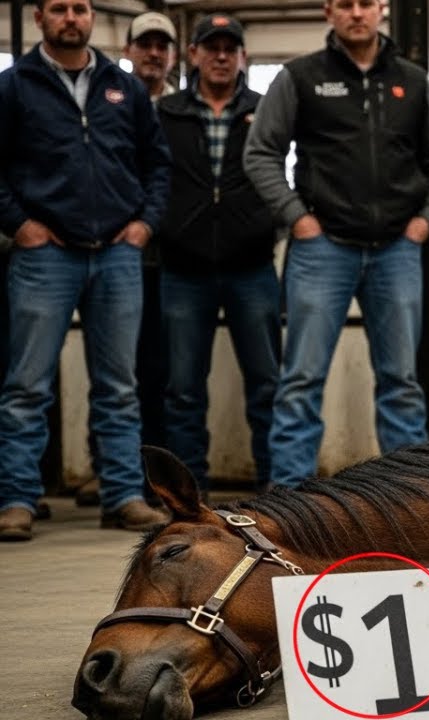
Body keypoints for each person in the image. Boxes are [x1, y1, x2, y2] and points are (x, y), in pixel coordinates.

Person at [244, 0, 429, 488]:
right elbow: (261, 153)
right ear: (328, 12)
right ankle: (289, 498)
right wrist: (297, 218)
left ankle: (408, 496)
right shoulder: (299, 77)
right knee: (300, 380)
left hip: (397, 250)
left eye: (366, 3)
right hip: (323, 249)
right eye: (345, 4)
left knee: (401, 382)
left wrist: (427, 219)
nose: (356, 13)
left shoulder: (414, 80)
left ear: (382, 9)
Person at [0, 0, 171, 540]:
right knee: (27, 386)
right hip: (44, 253)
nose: (70, 17)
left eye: (79, 8)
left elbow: (158, 162)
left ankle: (123, 495)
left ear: (92, 17)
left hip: (118, 253)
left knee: (119, 385)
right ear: (40, 20)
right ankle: (16, 500)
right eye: (59, 8)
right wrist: (18, 224)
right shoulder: (14, 86)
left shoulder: (124, 87)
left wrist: (145, 224)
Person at [155, 13, 279, 499]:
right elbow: (151, 174)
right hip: (183, 270)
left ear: (243, 56)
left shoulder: (265, 108)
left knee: (268, 385)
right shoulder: (166, 112)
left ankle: (276, 488)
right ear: (194, 55)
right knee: (183, 389)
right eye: (212, 46)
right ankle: (191, 497)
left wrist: (272, 221)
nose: (221, 55)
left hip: (253, 267)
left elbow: (286, 167)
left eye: (231, 47)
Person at [76, 9, 179, 509]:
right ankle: (107, 470)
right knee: (113, 369)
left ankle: (146, 480)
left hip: (163, 262)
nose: (154, 54)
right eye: (146, 45)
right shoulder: (107, 98)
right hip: (109, 254)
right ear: (131, 50)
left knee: (154, 373)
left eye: (163, 46)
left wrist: (147, 225)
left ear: (174, 54)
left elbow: (164, 173)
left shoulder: (181, 109)